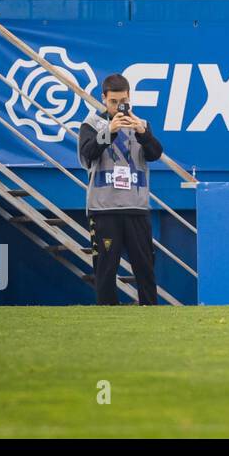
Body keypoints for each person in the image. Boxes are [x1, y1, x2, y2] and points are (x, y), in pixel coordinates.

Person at [77, 73, 163, 305]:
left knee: (145, 267)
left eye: (122, 101)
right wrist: (111, 131)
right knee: (105, 269)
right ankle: (107, 315)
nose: (118, 107)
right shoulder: (92, 124)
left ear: (129, 98)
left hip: (137, 207)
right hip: (104, 208)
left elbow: (155, 154)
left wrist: (143, 134)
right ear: (103, 98)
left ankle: (151, 312)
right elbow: (88, 153)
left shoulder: (141, 124)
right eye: (113, 101)